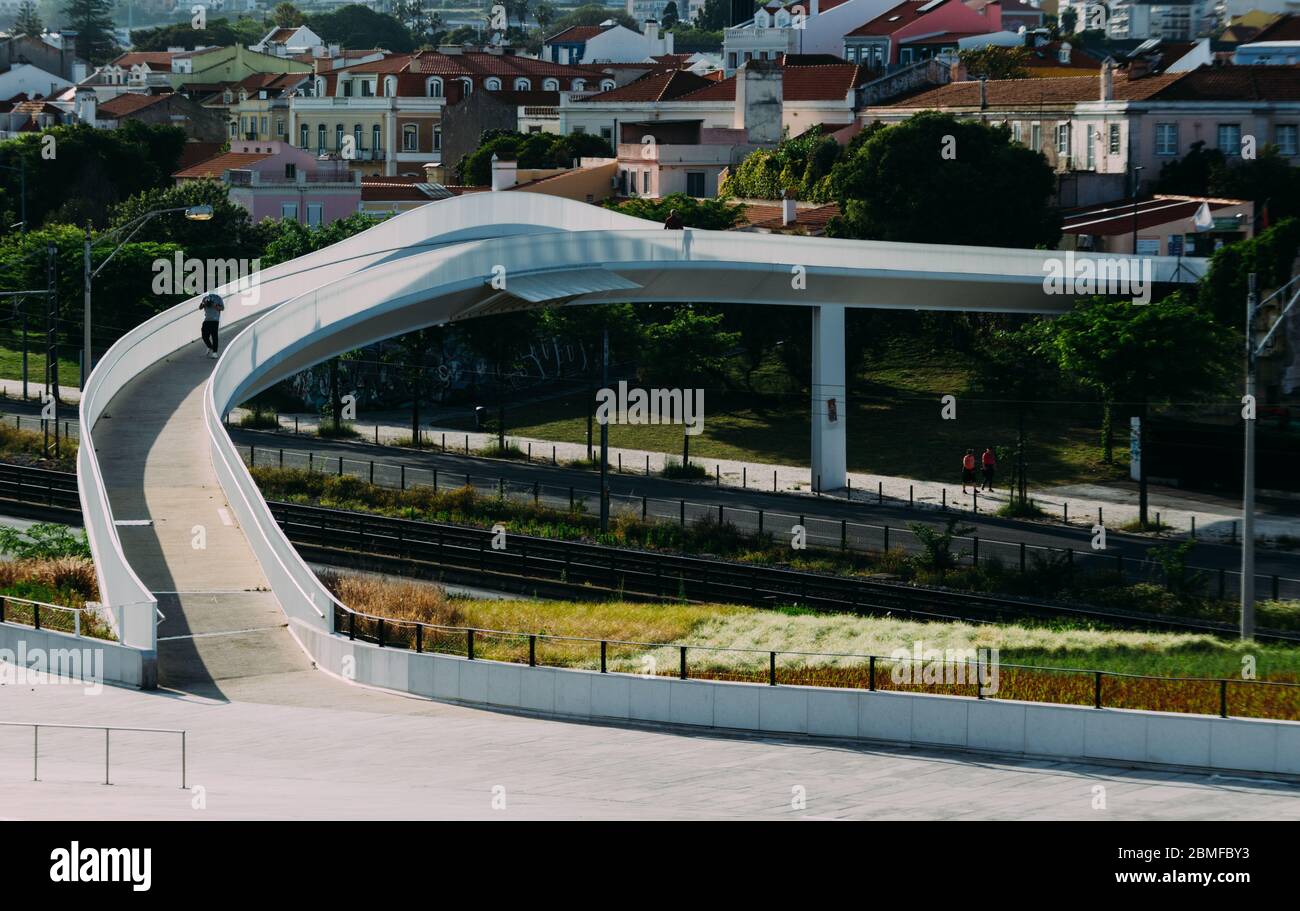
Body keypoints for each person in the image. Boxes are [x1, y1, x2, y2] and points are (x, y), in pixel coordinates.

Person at [199, 291, 224, 359]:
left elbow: (222, 308)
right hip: (207, 319)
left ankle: (215, 352)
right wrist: (203, 304)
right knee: (204, 335)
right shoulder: (205, 298)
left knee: (214, 336)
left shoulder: (218, 298)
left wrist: (215, 305)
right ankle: (210, 346)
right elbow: (200, 307)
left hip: (215, 320)